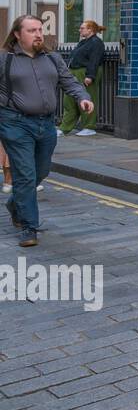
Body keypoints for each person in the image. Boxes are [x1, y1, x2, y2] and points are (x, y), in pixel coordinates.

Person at [1, 15, 92, 246]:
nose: (39, 34)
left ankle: (14, 203)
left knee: (40, 171)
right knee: (25, 175)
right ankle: (29, 227)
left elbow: (69, 81)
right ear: (17, 34)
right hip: (16, 124)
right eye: (32, 30)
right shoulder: (5, 60)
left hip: (46, 125)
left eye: (40, 29)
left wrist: (82, 97)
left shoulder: (52, 58)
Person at [60, 20, 105, 136]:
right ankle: (65, 127)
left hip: (85, 73)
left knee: (87, 98)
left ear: (90, 30)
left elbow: (94, 61)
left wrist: (90, 76)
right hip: (74, 72)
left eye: (82, 28)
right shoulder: (83, 42)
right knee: (69, 100)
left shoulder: (96, 42)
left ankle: (89, 126)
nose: (80, 30)